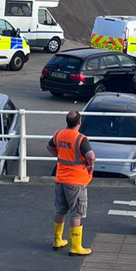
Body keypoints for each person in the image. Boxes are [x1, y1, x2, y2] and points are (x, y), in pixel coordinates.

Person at [48, 110, 96, 256]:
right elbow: (91, 156)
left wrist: (60, 155)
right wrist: (90, 165)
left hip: (60, 178)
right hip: (76, 180)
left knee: (60, 209)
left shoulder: (59, 134)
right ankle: (75, 247)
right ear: (79, 122)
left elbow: (50, 147)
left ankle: (57, 240)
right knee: (76, 213)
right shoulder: (81, 139)